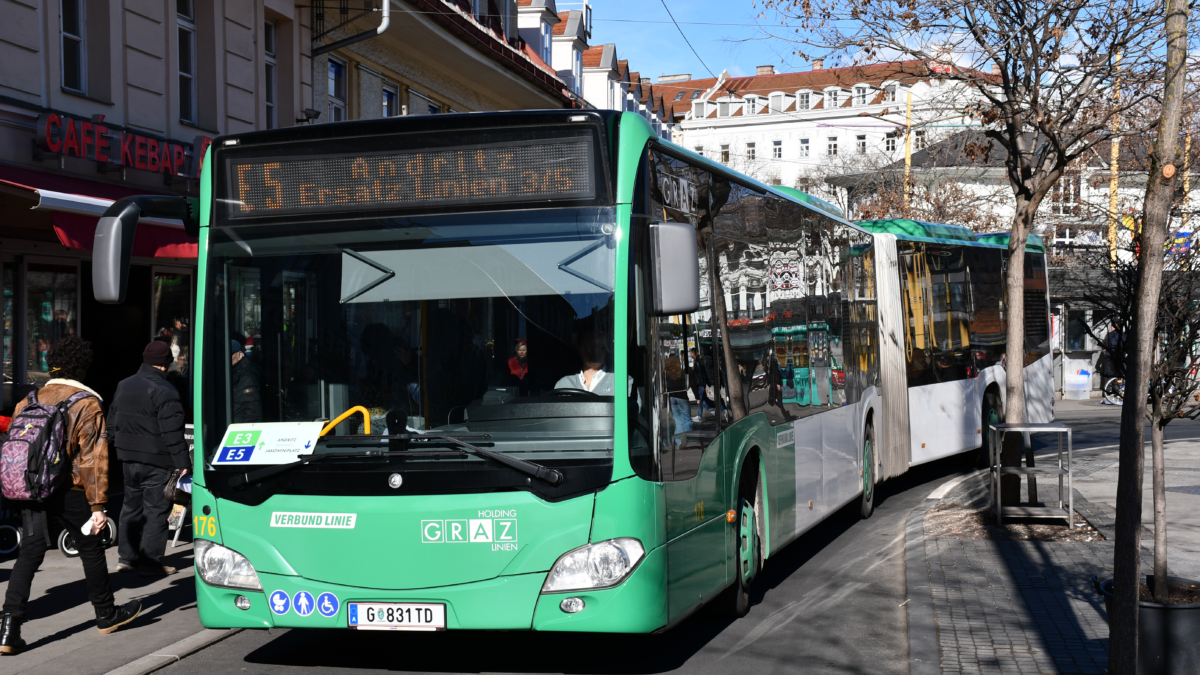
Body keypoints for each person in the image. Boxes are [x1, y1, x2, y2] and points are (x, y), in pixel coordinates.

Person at [1, 337, 142, 655]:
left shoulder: (30, 399)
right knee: (91, 548)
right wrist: (98, 505)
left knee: (31, 551)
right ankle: (106, 613)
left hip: (32, 488)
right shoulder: (87, 402)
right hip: (70, 490)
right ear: (82, 368)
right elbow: (94, 459)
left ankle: (9, 628)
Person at [108, 341, 191, 576]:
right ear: (165, 364)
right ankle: (150, 562)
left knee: (130, 508)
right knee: (156, 511)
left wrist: (111, 446)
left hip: (127, 458)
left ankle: (126, 559)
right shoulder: (165, 390)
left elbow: (112, 420)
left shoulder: (124, 385)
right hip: (157, 460)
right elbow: (172, 433)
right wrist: (183, 463)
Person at [230, 340, 263, 423]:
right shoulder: (232, 372)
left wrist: (240, 433)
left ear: (240, 354)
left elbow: (253, 413)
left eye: (231, 354)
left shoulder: (247, 377)